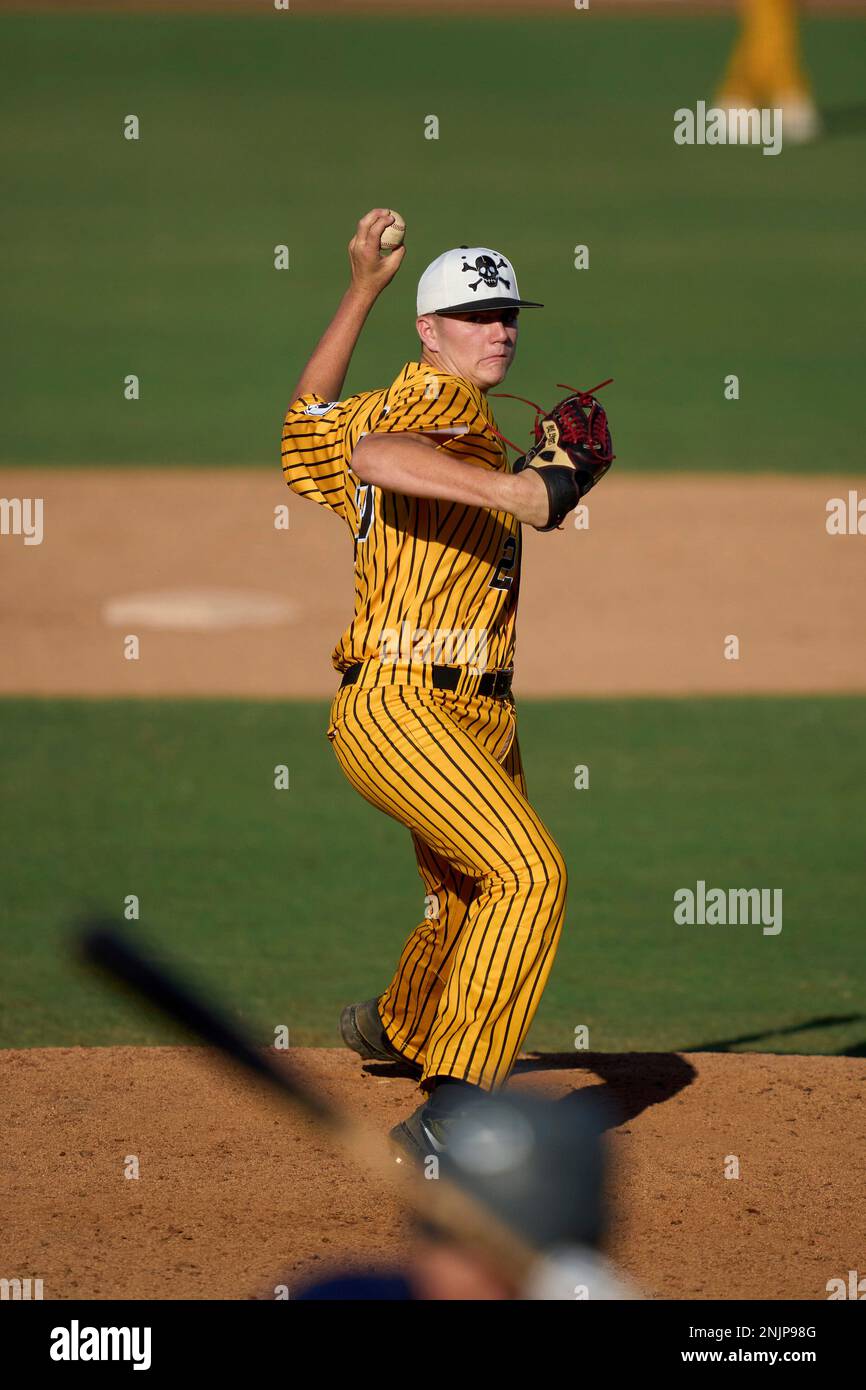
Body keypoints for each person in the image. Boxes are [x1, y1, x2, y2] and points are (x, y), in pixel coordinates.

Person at [281, 209, 572, 1163]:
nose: (499, 330)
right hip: (403, 700)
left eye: (507, 314)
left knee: (461, 899)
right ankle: (451, 1113)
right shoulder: (435, 408)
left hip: (477, 711)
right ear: (430, 329)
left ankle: (400, 1027)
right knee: (528, 876)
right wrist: (519, 493)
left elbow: (311, 434)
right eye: (475, 313)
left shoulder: (389, 405)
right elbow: (379, 457)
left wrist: (359, 284)